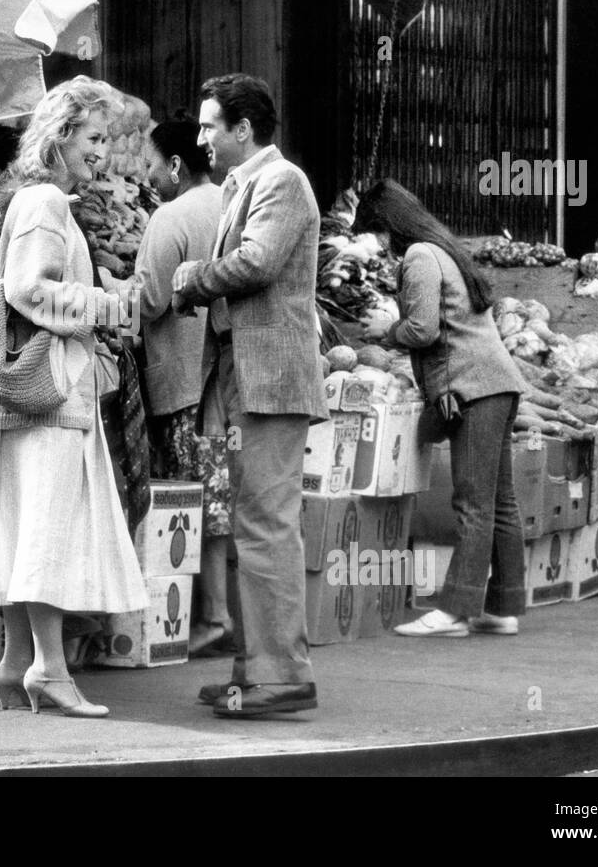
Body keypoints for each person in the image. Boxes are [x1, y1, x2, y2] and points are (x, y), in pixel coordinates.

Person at [0, 76, 148, 718]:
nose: (102, 152)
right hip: (48, 397)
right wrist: (108, 303)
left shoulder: (36, 199)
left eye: (106, 139)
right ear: (62, 135)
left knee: (23, 528)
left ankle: (15, 661)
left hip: (26, 398)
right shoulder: (47, 200)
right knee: (47, 531)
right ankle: (50, 668)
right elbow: (27, 289)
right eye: (94, 137)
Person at [171, 74, 327, 718]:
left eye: (210, 126)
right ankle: (252, 669)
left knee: (265, 527)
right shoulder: (247, 184)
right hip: (247, 375)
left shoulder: (281, 181)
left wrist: (191, 276)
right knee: (249, 528)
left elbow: (259, 263)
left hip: (271, 379)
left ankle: (282, 674)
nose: (201, 137)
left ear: (244, 130)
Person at [352, 179, 530, 638]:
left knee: (472, 503)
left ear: (388, 226)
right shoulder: (444, 249)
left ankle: (454, 611)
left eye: (374, 234)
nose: (378, 247)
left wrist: (386, 329)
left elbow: (424, 329)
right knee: (499, 503)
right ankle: (503, 608)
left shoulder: (420, 257)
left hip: (472, 390)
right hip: (497, 385)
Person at [133, 120, 233, 655]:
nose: (146, 176)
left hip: (181, 379)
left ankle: (200, 619)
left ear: (174, 165)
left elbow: (148, 301)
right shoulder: (231, 201)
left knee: (186, 500)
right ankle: (215, 616)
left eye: (151, 164)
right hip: (222, 377)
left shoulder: (169, 217)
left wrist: (106, 284)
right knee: (214, 499)